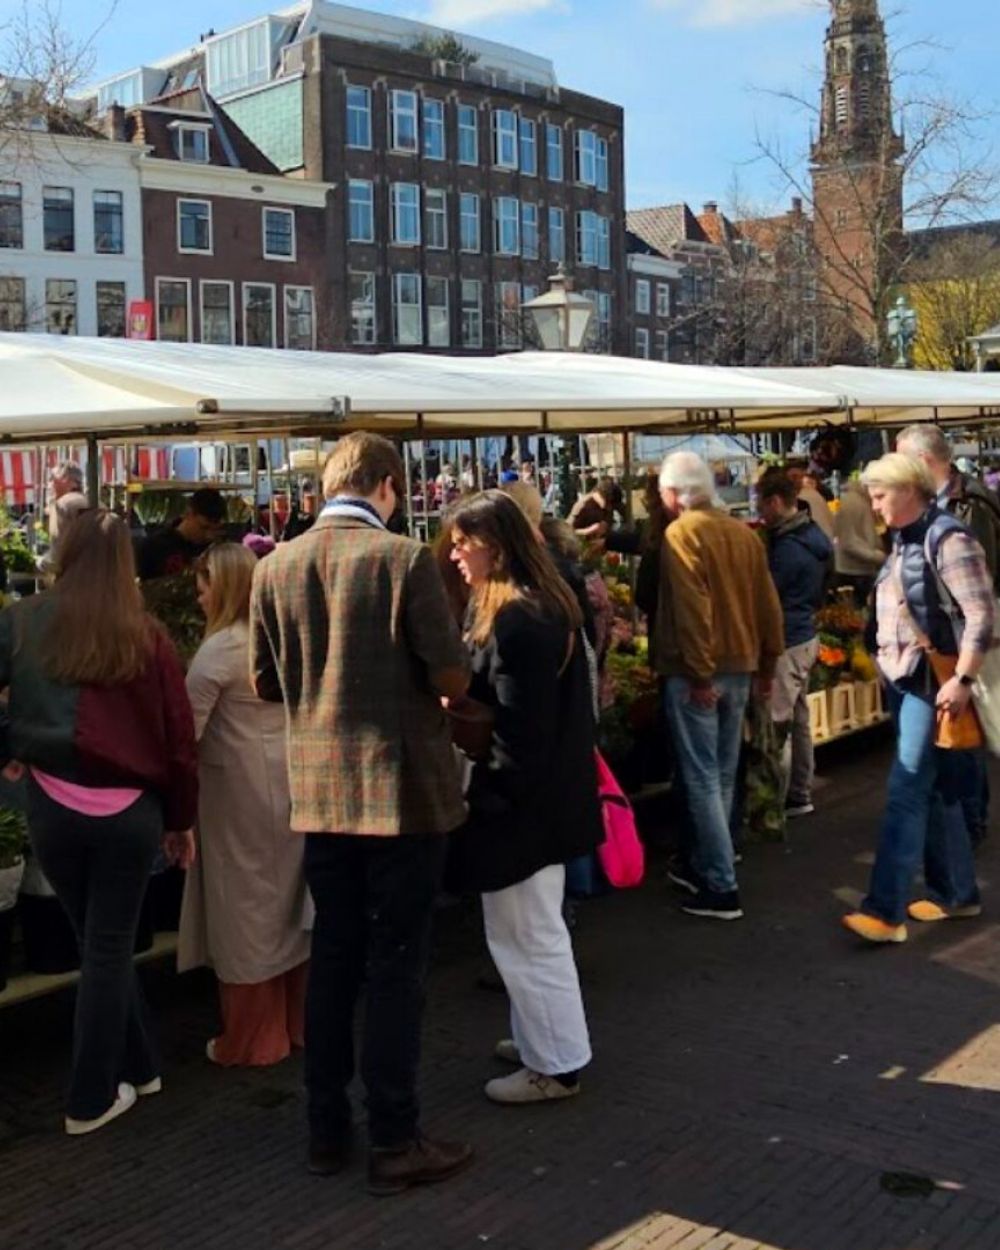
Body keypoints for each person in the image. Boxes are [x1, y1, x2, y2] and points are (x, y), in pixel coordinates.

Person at [250, 432, 474, 1195]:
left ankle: (325, 1131)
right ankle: (394, 1137)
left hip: (320, 794)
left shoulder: (274, 567)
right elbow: (451, 673)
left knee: (335, 961)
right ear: (386, 485)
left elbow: (265, 683)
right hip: (401, 793)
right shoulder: (403, 560)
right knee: (396, 968)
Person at [0, 509, 197, 1134]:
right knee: (107, 948)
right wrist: (181, 820)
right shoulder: (147, 636)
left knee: (99, 945)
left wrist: (8, 749)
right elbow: (179, 741)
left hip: (52, 804)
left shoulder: (22, 621)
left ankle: (139, 1069)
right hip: (129, 813)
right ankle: (90, 1098)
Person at [446, 491, 601, 1103]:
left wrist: (492, 797)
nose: (455, 555)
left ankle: (554, 1064)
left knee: (527, 935)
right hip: (544, 799)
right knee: (530, 931)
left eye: (463, 543)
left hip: (523, 808)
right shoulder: (538, 606)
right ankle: (546, 1039)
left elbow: (521, 733)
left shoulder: (518, 622)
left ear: (495, 546)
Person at [842, 454, 993, 944]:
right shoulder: (907, 538)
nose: (874, 505)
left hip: (932, 682)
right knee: (936, 788)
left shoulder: (947, 538)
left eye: (880, 495)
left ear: (909, 490)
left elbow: (981, 614)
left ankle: (884, 911)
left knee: (906, 788)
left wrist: (962, 679)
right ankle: (957, 893)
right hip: (910, 679)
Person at [179, 543, 310, 1067]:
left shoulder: (217, 652)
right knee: (291, 911)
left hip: (237, 799)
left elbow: (184, 735)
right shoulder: (283, 634)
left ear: (226, 589)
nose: (199, 599)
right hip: (290, 786)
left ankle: (255, 1039)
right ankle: (297, 1023)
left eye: (204, 588)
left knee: (245, 915)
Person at [653, 453, 784, 921]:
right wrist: (767, 665)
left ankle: (719, 882)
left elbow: (693, 609)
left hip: (700, 673)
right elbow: (768, 605)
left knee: (703, 777)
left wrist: (699, 672)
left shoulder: (682, 533)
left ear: (673, 493)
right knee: (723, 774)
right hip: (741, 665)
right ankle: (715, 861)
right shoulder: (741, 533)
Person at [757, 469, 834, 818]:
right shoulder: (812, 534)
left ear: (775, 501)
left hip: (787, 639)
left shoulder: (787, 549)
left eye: (762, 504)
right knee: (800, 719)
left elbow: (769, 597)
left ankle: (775, 800)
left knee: (778, 723)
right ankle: (800, 792)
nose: (760, 513)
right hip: (807, 633)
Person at [896, 425, 1000, 592]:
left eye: (902, 461)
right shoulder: (925, 498)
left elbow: (981, 573)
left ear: (923, 460)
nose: (898, 469)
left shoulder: (971, 502)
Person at [137, 487, 226, 580]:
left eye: (214, 530)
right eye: (204, 527)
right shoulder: (154, 546)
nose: (208, 535)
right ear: (189, 513)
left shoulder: (216, 550)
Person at [834, 478, 886, 605]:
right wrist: (878, 557)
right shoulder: (851, 502)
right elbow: (848, 542)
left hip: (860, 568)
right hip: (854, 570)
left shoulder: (861, 501)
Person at [38, 461, 89, 574]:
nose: (49, 484)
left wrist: (40, 563)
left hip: (77, 577)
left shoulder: (62, 506)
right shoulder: (97, 503)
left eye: (52, 478)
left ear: (68, 481)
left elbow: (55, 560)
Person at [784, 458, 835, 541]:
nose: (797, 480)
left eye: (799, 477)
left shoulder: (806, 497)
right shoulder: (813, 495)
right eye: (793, 477)